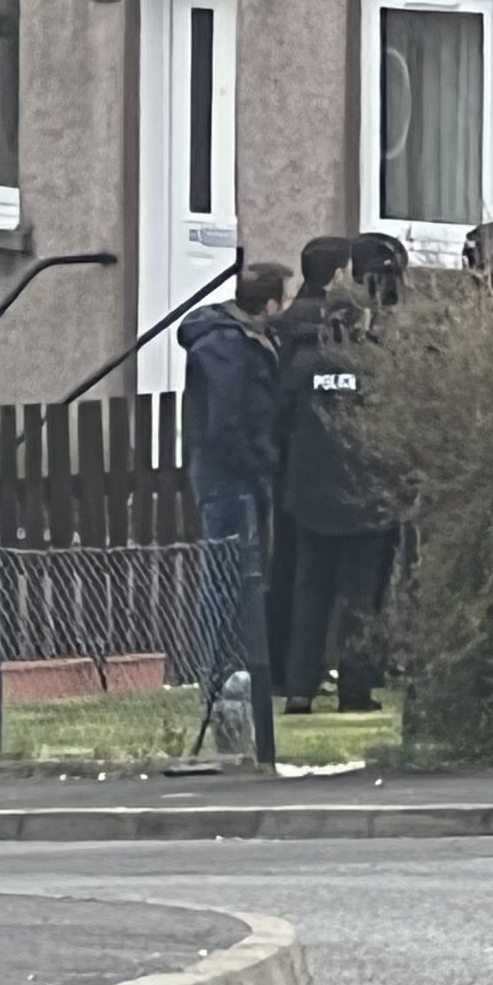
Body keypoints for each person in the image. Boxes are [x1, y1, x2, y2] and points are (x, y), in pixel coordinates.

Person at [274, 290, 401, 715]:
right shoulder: (377, 367)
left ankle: (300, 689)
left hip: (311, 499)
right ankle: (355, 690)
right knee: (358, 599)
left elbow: (279, 423)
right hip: (365, 500)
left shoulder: (304, 366)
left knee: (310, 594)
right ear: (363, 321)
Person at [177, 261, 291, 699]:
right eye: (282, 298)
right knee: (223, 574)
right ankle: (216, 672)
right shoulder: (226, 345)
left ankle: (236, 668)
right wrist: (260, 461)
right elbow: (225, 421)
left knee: (242, 573)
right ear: (269, 304)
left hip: (237, 470)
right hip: (227, 475)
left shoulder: (247, 338)